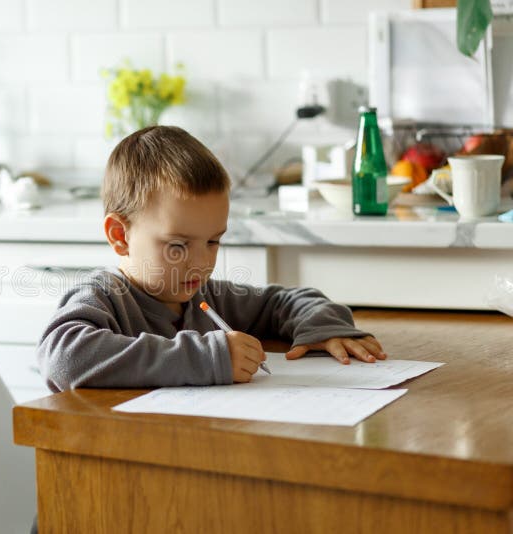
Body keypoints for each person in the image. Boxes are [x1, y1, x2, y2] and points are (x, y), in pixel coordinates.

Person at [36, 125, 386, 392]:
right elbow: (64, 357)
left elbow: (287, 300)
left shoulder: (206, 298)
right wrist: (206, 358)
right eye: (178, 245)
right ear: (119, 235)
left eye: (213, 241)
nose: (201, 263)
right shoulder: (104, 296)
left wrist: (323, 329)